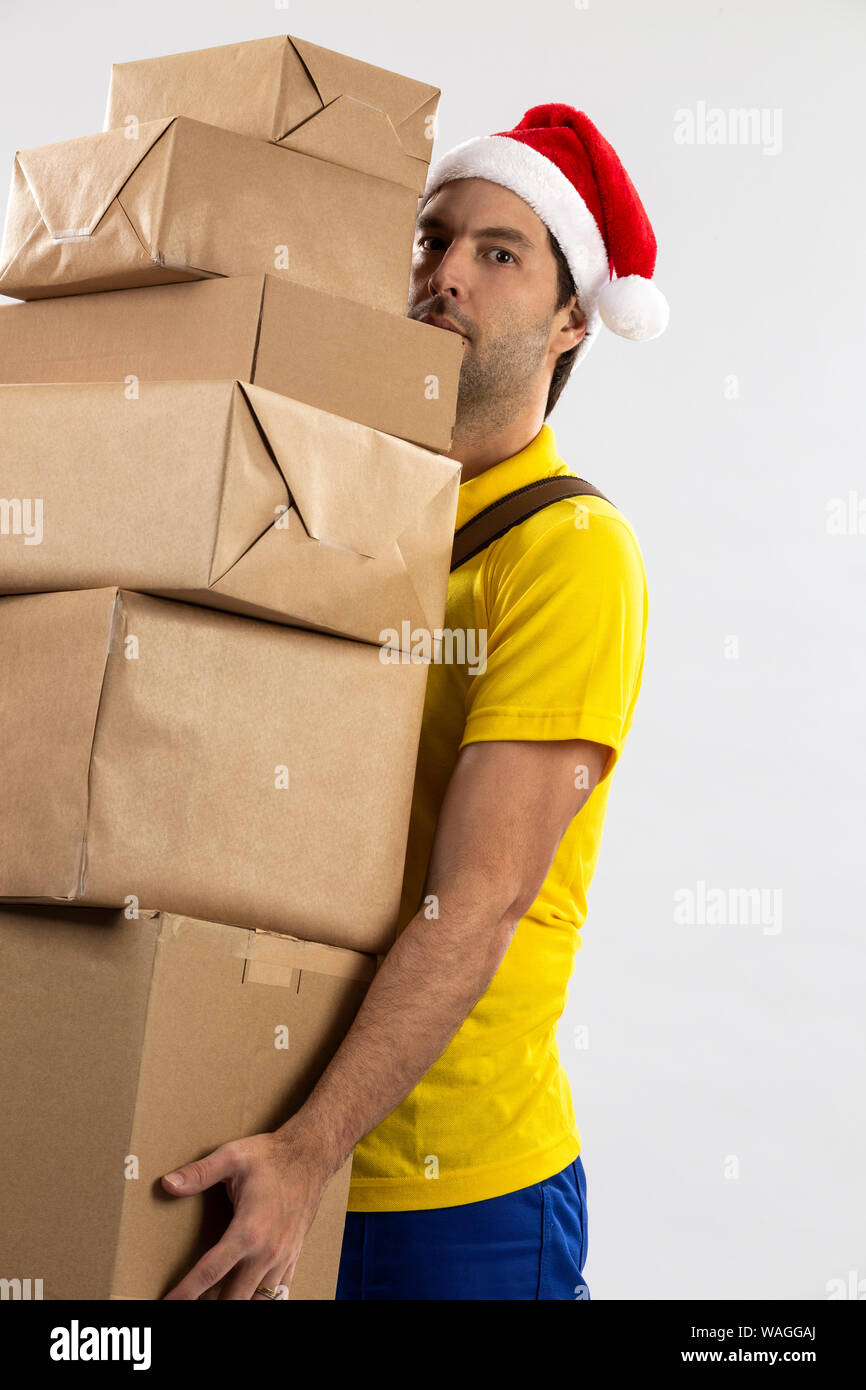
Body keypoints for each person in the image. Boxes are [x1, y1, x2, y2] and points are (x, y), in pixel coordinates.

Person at [159, 102, 668, 1301]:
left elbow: (481, 899)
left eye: (499, 254)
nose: (445, 276)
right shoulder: (346, 512)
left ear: (567, 320)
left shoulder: (570, 553)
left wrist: (308, 1154)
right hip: (263, 1138)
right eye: (431, 242)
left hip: (450, 1193)